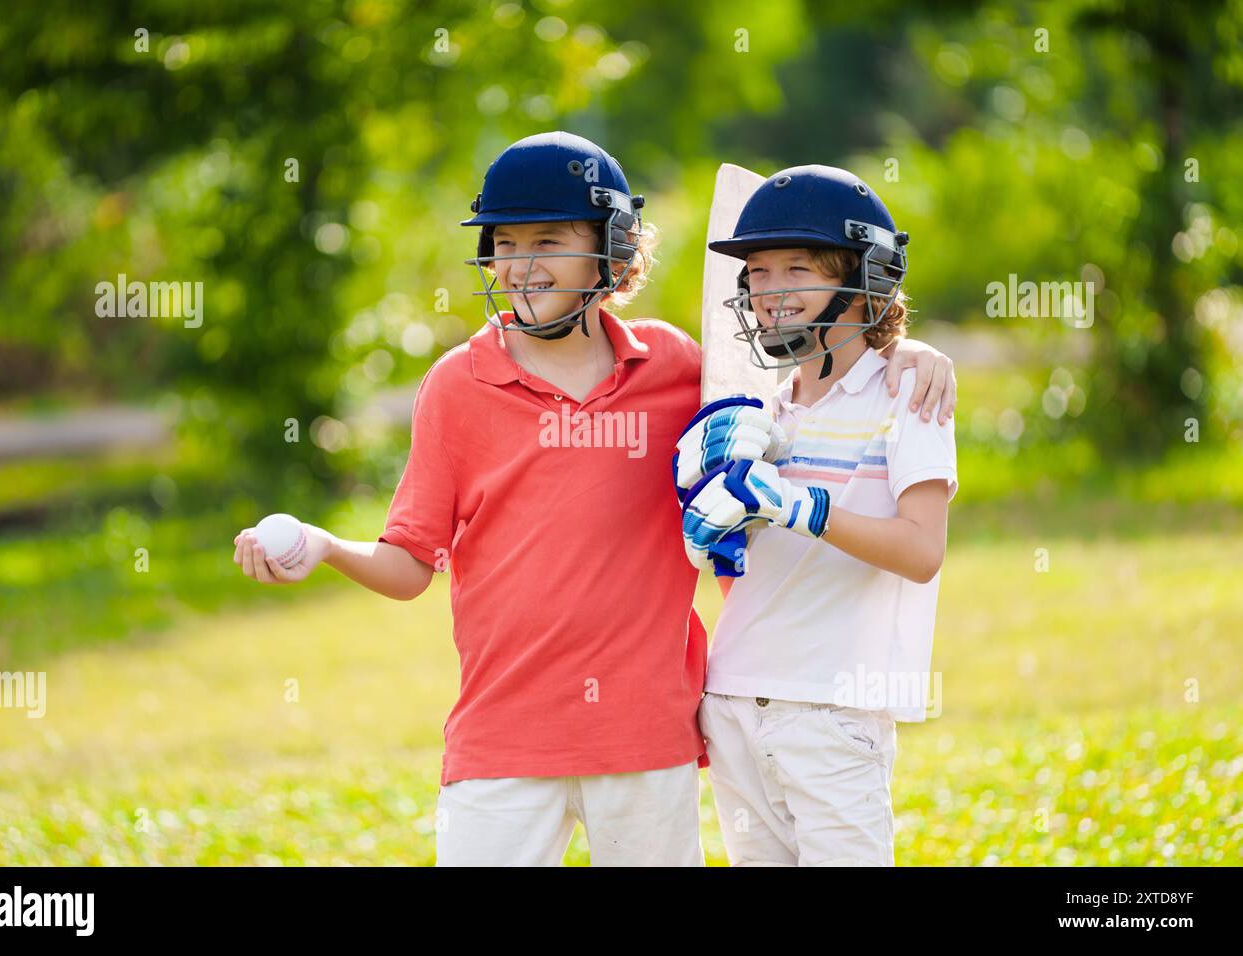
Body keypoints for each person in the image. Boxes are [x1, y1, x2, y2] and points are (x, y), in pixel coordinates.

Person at [234, 135, 956, 866]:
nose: (520, 264)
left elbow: (812, 365)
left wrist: (907, 352)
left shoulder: (679, 373)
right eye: (503, 243)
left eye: (548, 239)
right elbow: (410, 563)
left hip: (649, 740)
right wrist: (325, 547)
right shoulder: (457, 387)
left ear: (613, 248)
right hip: (501, 740)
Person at [676, 164, 957, 866]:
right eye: (759, 272)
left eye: (796, 269)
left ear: (869, 279)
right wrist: (709, 528)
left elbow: (922, 552)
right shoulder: (758, 413)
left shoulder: (908, 397)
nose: (769, 292)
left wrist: (804, 508)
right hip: (735, 696)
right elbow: (741, 577)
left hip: (835, 711)